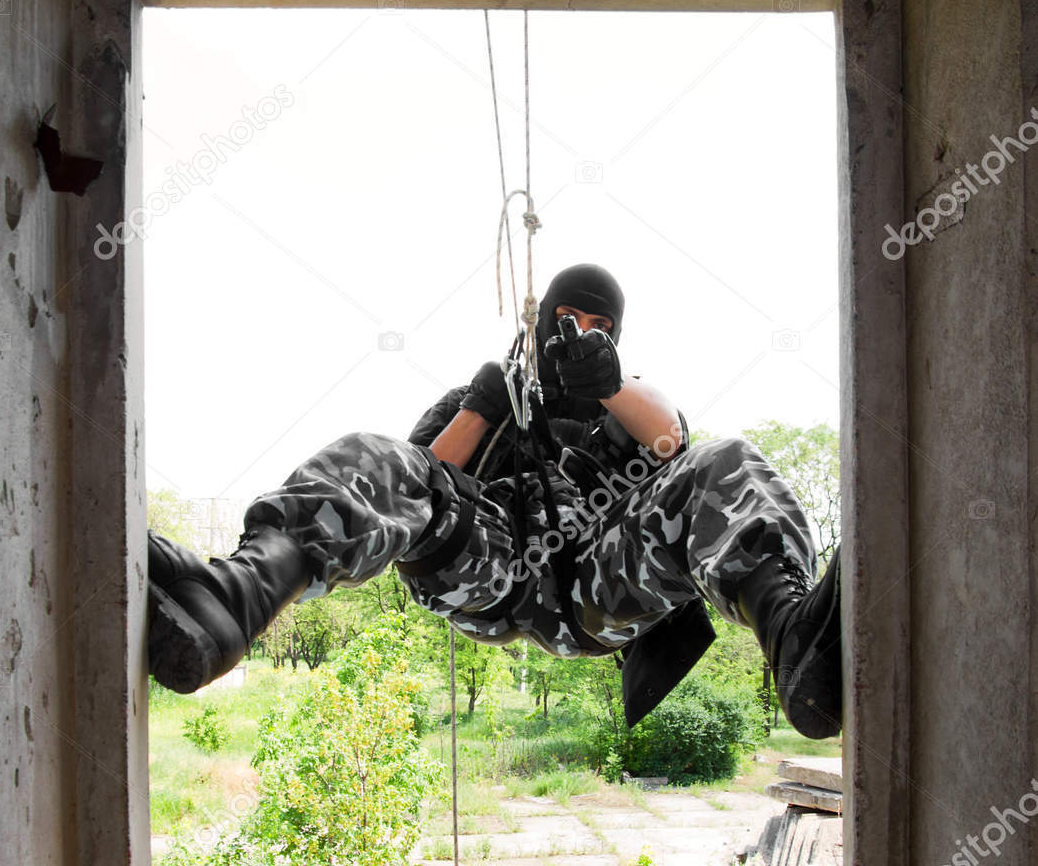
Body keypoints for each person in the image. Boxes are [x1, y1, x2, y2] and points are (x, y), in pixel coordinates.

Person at [147, 263, 841, 737]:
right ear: (538, 325)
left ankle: (794, 637)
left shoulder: (627, 407)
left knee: (728, 462)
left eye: (597, 327)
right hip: (492, 575)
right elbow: (412, 493)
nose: (577, 334)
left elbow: (671, 438)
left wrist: (604, 382)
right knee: (377, 453)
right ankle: (237, 596)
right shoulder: (478, 400)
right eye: (565, 320)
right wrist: (481, 408)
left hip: (595, 589)